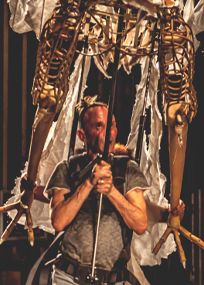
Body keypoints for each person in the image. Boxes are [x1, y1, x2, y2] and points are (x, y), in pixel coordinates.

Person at [45, 100, 153, 285]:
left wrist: (111, 192)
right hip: (69, 277)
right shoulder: (67, 169)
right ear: (82, 135)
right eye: (98, 126)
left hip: (113, 279)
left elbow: (141, 224)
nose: (107, 132)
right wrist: (88, 183)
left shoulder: (128, 169)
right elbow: (58, 221)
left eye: (111, 126)